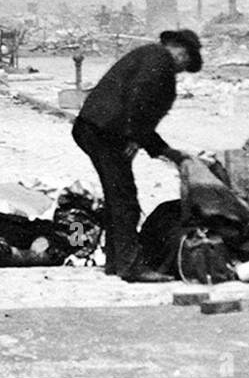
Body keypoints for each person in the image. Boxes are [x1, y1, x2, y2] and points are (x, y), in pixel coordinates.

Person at [72, 29, 203, 282]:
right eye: (186, 56)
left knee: (116, 196)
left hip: (97, 128)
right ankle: (130, 266)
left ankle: (116, 261)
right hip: (105, 132)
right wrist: (133, 136)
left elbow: (140, 108)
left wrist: (164, 151)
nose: (183, 65)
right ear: (175, 47)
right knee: (124, 199)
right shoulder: (158, 59)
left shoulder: (151, 57)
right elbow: (138, 100)